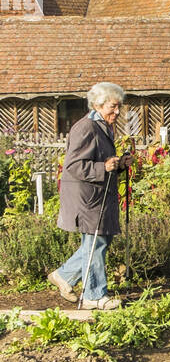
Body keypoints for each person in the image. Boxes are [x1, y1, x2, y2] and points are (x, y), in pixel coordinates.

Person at [49, 82, 133, 310]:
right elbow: (74, 166)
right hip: (86, 197)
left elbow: (102, 162)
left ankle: (65, 275)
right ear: (98, 104)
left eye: (119, 107)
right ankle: (94, 296)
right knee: (96, 243)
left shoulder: (103, 126)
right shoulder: (85, 128)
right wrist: (102, 167)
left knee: (100, 240)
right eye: (113, 107)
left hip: (98, 194)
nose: (117, 112)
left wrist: (119, 165)